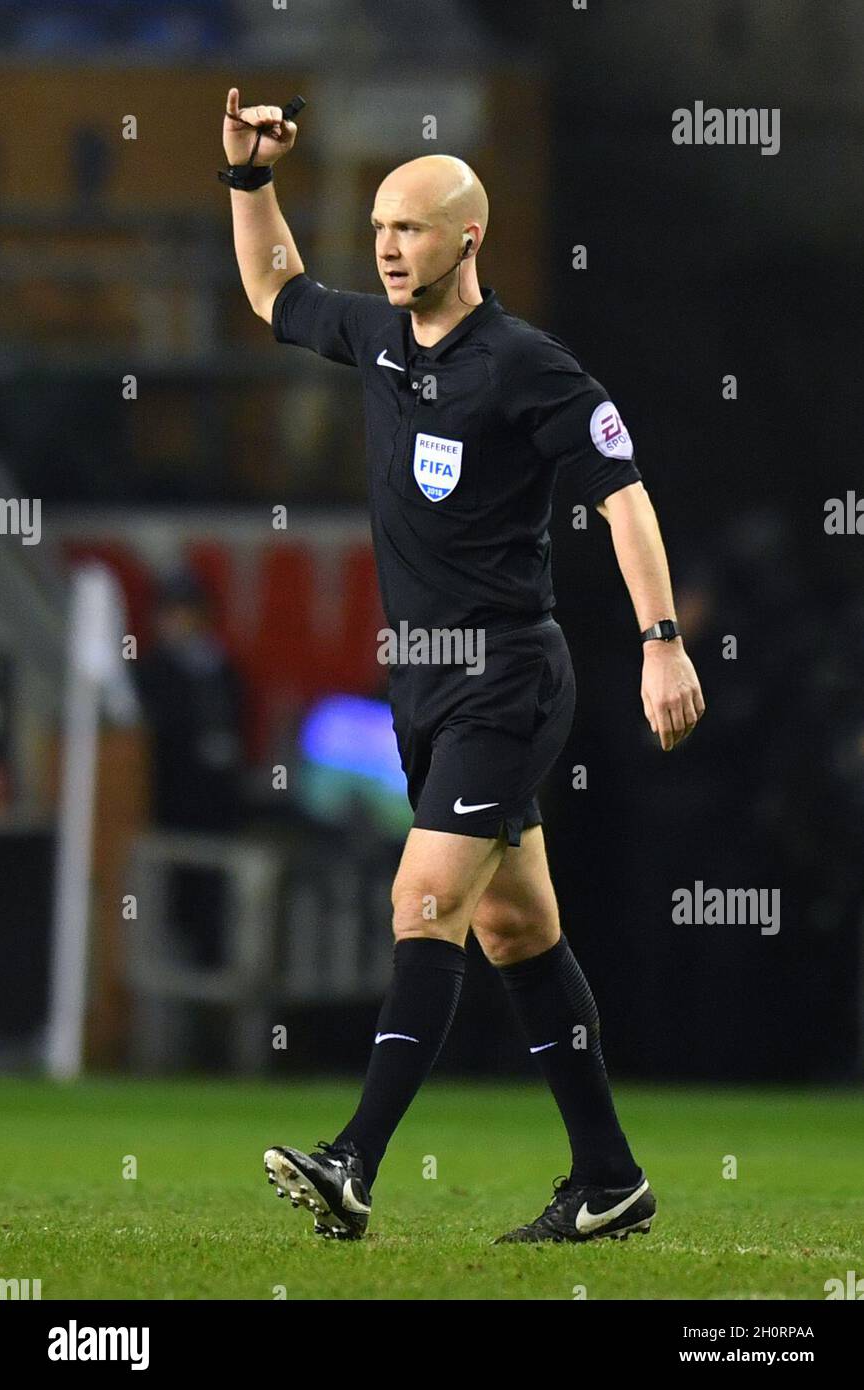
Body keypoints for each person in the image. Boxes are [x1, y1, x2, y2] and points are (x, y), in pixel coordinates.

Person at [222, 90, 705, 1242]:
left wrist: (659, 640)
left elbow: (622, 498)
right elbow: (275, 292)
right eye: (380, 227)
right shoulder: (377, 338)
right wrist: (250, 180)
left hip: (507, 677)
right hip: (422, 686)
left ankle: (352, 1161)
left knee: (423, 899)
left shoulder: (526, 367)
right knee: (514, 932)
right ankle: (608, 1179)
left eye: (412, 228)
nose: (388, 246)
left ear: (467, 238)